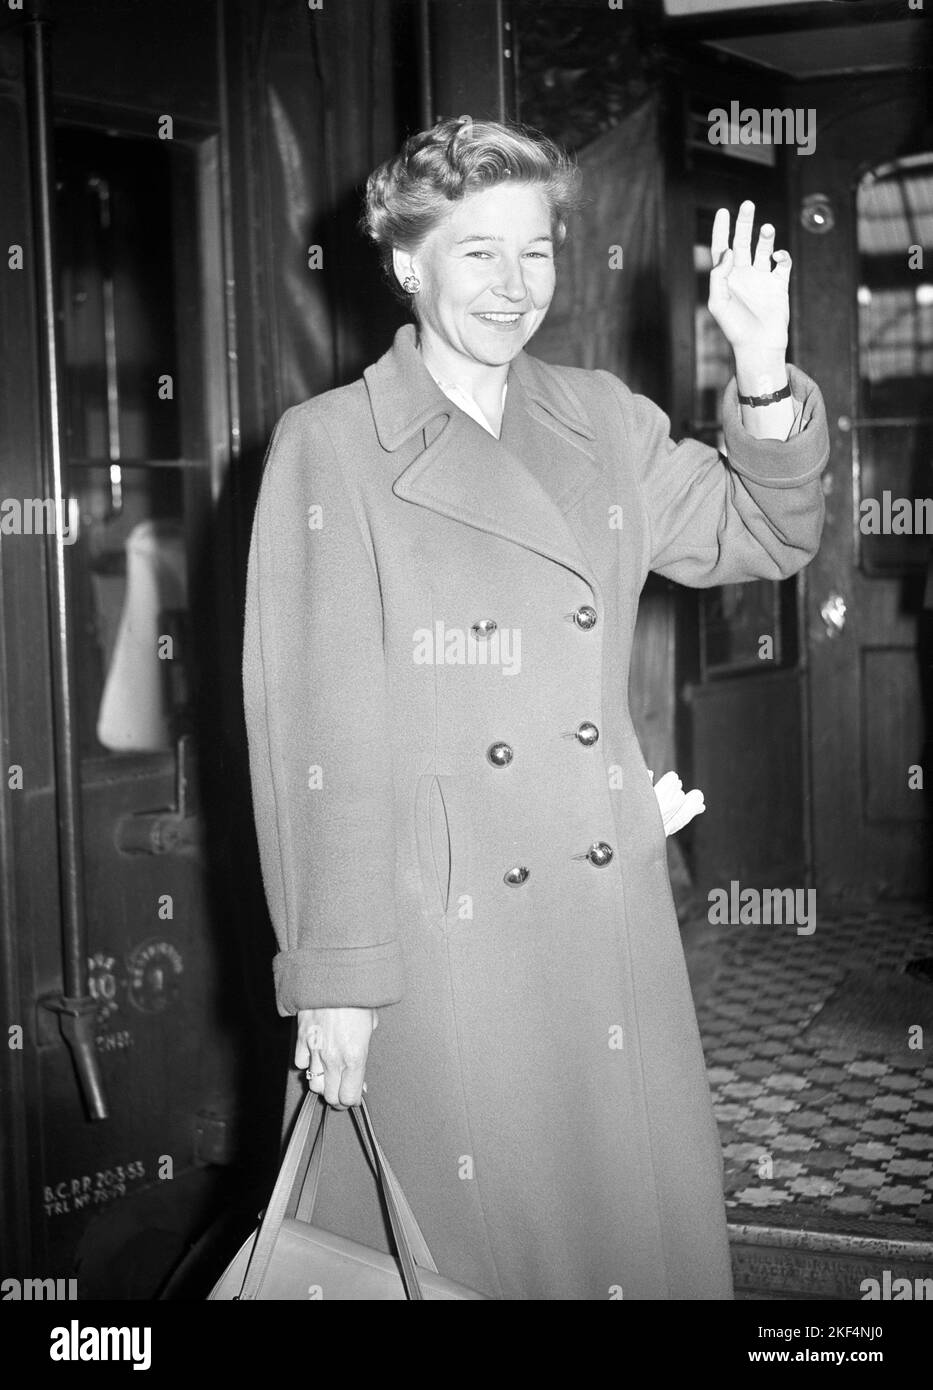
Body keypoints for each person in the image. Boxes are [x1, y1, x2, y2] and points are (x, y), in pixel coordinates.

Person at [242, 116, 829, 1300]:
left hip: (601, 918)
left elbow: (764, 533)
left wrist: (759, 373)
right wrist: (339, 982)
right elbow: (321, 738)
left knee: (631, 1231)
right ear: (406, 263)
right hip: (442, 939)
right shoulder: (332, 447)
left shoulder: (598, 417)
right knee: (484, 1253)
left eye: (539, 251)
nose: (515, 289)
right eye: (477, 255)